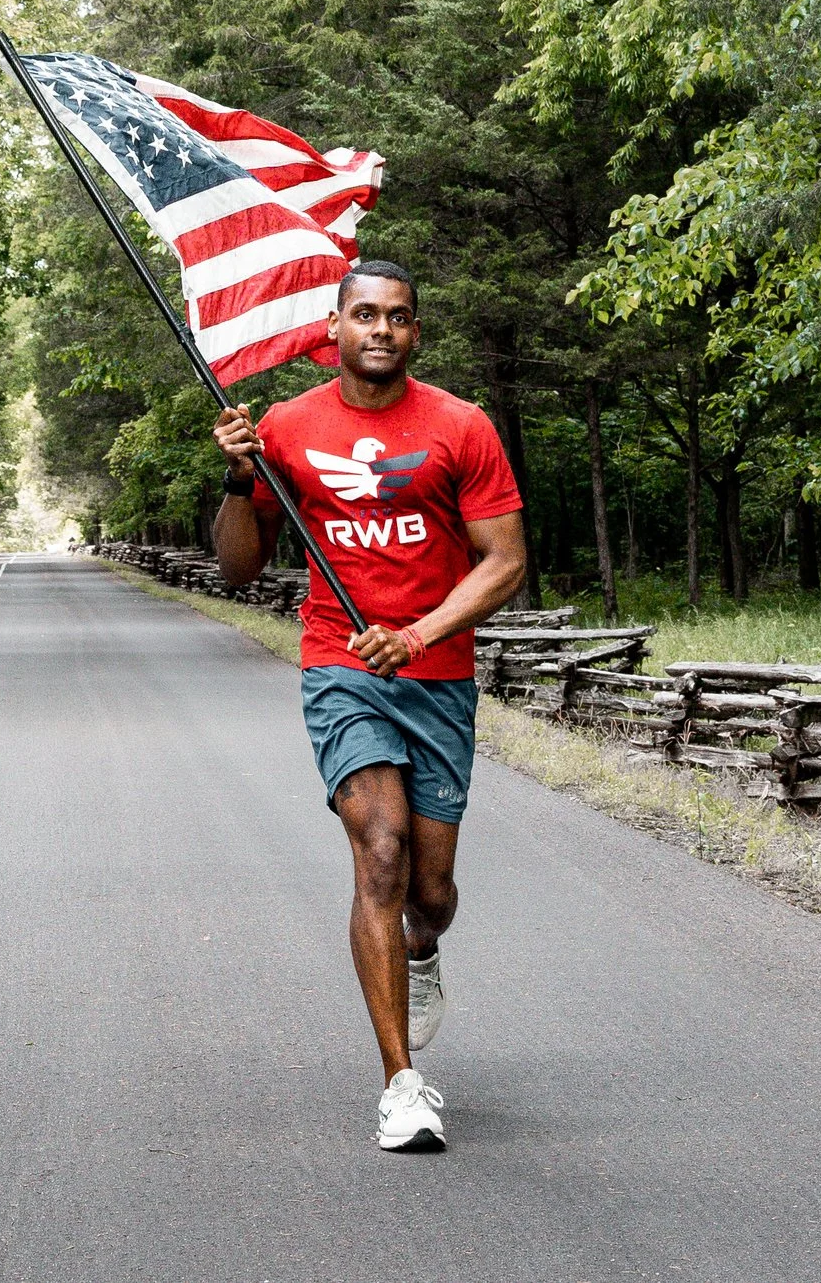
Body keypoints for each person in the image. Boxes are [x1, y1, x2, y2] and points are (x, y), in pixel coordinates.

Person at [210, 259, 527, 1152]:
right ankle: (403, 1085)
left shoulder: (461, 426)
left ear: (414, 333)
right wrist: (240, 481)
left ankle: (421, 950)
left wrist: (420, 633)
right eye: (363, 315)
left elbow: (504, 561)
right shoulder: (285, 426)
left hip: (437, 676)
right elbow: (238, 568)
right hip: (340, 667)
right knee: (379, 849)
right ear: (335, 328)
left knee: (429, 891)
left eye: (396, 317)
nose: (379, 330)